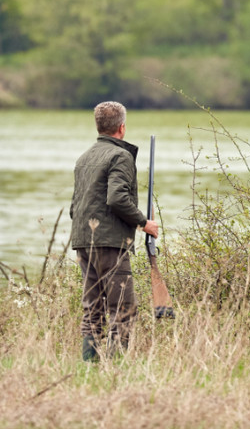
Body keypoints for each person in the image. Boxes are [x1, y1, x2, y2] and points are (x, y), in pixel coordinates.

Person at [70, 101, 158, 361]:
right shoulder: (121, 156)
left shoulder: (84, 158)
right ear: (122, 127)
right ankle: (115, 367)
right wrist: (144, 223)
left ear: (98, 126)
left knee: (93, 309)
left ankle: (90, 366)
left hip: (83, 241)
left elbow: (75, 207)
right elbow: (117, 198)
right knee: (123, 309)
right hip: (109, 244)